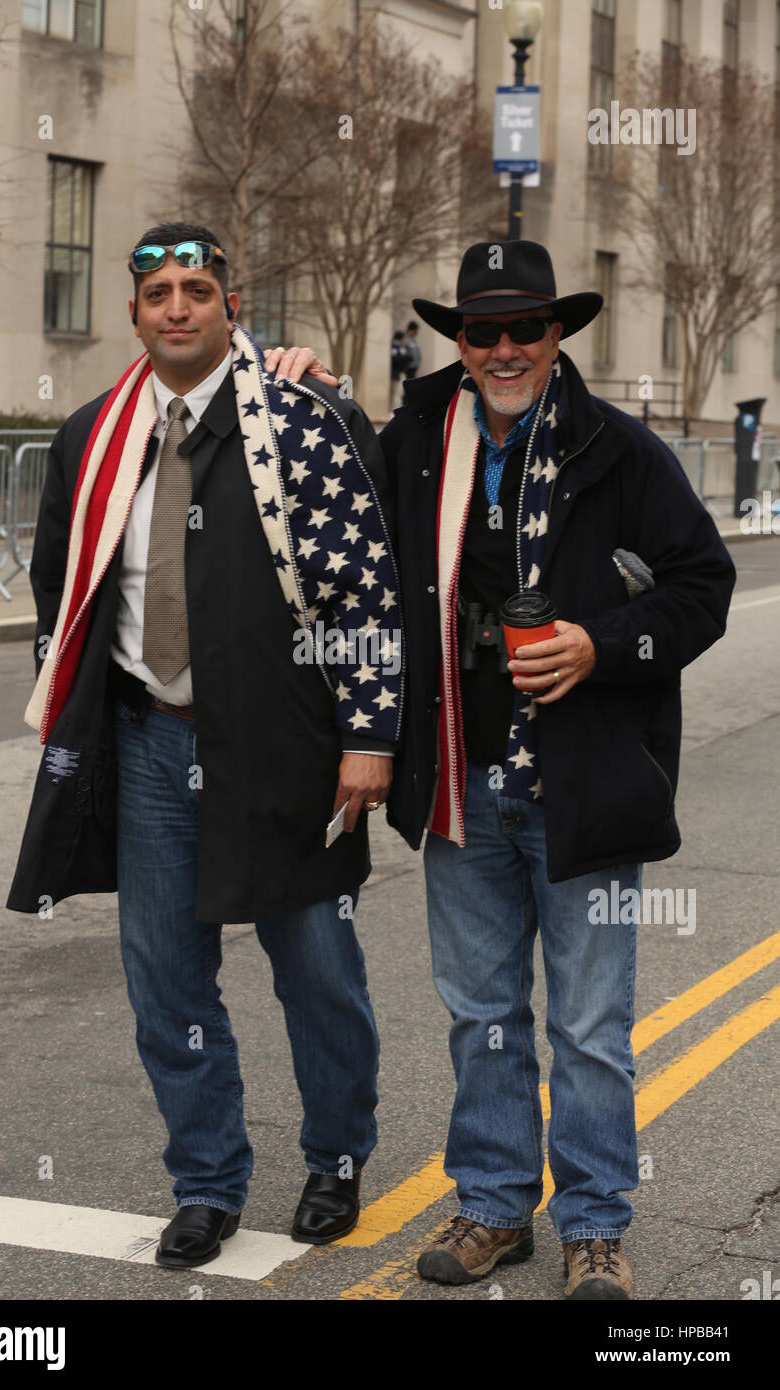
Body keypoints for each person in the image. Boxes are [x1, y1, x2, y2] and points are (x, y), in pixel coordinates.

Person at [266, 239, 736, 1299]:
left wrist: (601, 645)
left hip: (586, 781)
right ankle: (490, 1207)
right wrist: (305, 391)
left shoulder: (621, 451)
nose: (506, 346)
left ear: (556, 333)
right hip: (459, 778)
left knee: (587, 1025)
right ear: (461, 341)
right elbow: (337, 516)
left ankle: (594, 1229)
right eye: (483, 330)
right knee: (480, 1012)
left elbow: (700, 585)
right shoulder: (420, 437)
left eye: (526, 326)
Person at [6, 221, 404, 1267]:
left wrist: (368, 734)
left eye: (196, 288)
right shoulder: (89, 437)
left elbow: (365, 588)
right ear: (134, 314)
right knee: (164, 977)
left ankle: (334, 1156)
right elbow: (64, 594)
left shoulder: (305, 419)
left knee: (315, 964)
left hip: (285, 744)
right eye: (157, 294)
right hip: (147, 742)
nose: (177, 307)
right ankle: (207, 1180)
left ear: (231, 303)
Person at [390, 329, 410, 410]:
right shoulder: (394, 347)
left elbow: (408, 357)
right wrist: (404, 358)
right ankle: (395, 410)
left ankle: (397, 409)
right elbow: (396, 360)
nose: (404, 340)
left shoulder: (401, 348)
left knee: (400, 394)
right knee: (396, 394)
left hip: (401, 373)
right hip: (396, 374)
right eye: (403, 338)